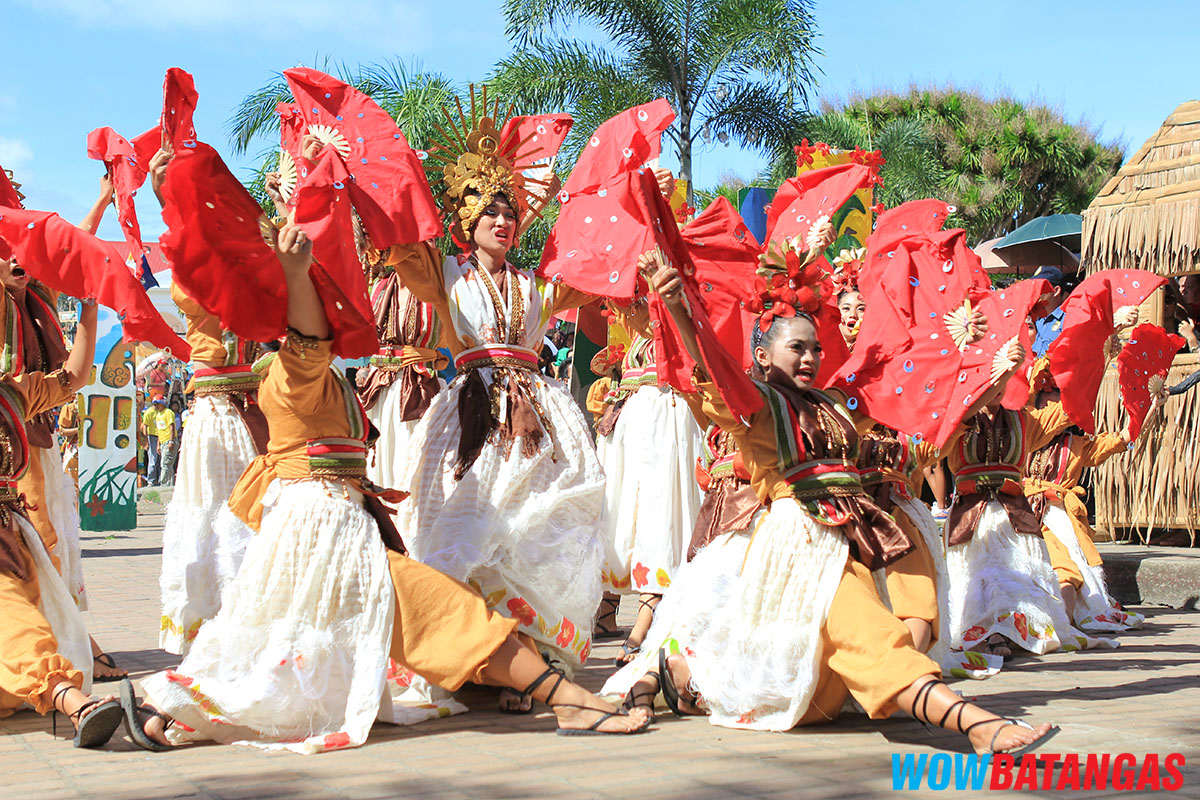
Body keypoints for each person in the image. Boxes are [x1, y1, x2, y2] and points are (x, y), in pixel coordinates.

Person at [125, 222, 652, 753]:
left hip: (328, 532)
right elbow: (309, 338)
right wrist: (293, 272)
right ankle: (569, 701)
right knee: (442, 614)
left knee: (275, 642)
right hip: (325, 533)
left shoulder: (309, 375)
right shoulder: (293, 372)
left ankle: (162, 707)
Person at [606, 247, 1056, 757]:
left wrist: (983, 375)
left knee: (831, 686)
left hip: (854, 537)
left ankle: (686, 671)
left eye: (815, 349)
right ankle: (973, 724)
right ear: (762, 356)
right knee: (864, 637)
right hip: (799, 545)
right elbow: (715, 372)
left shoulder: (831, 407)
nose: (809, 358)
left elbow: (916, 418)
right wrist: (681, 312)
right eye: (796, 348)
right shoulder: (758, 407)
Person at [387, 105, 620, 710]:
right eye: (489, 209)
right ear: (466, 216)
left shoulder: (537, 284)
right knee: (471, 528)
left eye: (510, 211)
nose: (503, 219)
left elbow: (597, 266)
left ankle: (530, 659)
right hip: (472, 415)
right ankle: (472, 656)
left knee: (534, 529)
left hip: (538, 420)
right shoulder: (446, 275)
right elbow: (397, 239)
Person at [0, 297, 123, 748]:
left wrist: (89, 313)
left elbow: (72, 379)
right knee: (12, 617)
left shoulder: (14, 393)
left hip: (9, 542)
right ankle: (72, 700)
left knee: (20, 622)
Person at [596, 297, 703, 667]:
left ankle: (651, 606)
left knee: (660, 509)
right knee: (619, 511)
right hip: (634, 421)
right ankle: (609, 606)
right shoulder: (636, 327)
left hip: (668, 418)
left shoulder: (675, 313)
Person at [1030, 266, 1077, 356]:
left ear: (1056, 291)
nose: (1034, 291)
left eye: (1040, 286)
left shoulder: (1068, 320)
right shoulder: (1034, 319)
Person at [141, 395, 174, 486]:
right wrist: (146, 441)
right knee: (153, 459)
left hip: (161, 437)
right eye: (154, 404)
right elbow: (145, 425)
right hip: (151, 436)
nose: (155, 406)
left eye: (157, 404)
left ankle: (161, 480)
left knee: (161, 459)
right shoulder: (149, 412)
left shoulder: (164, 413)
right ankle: (151, 481)